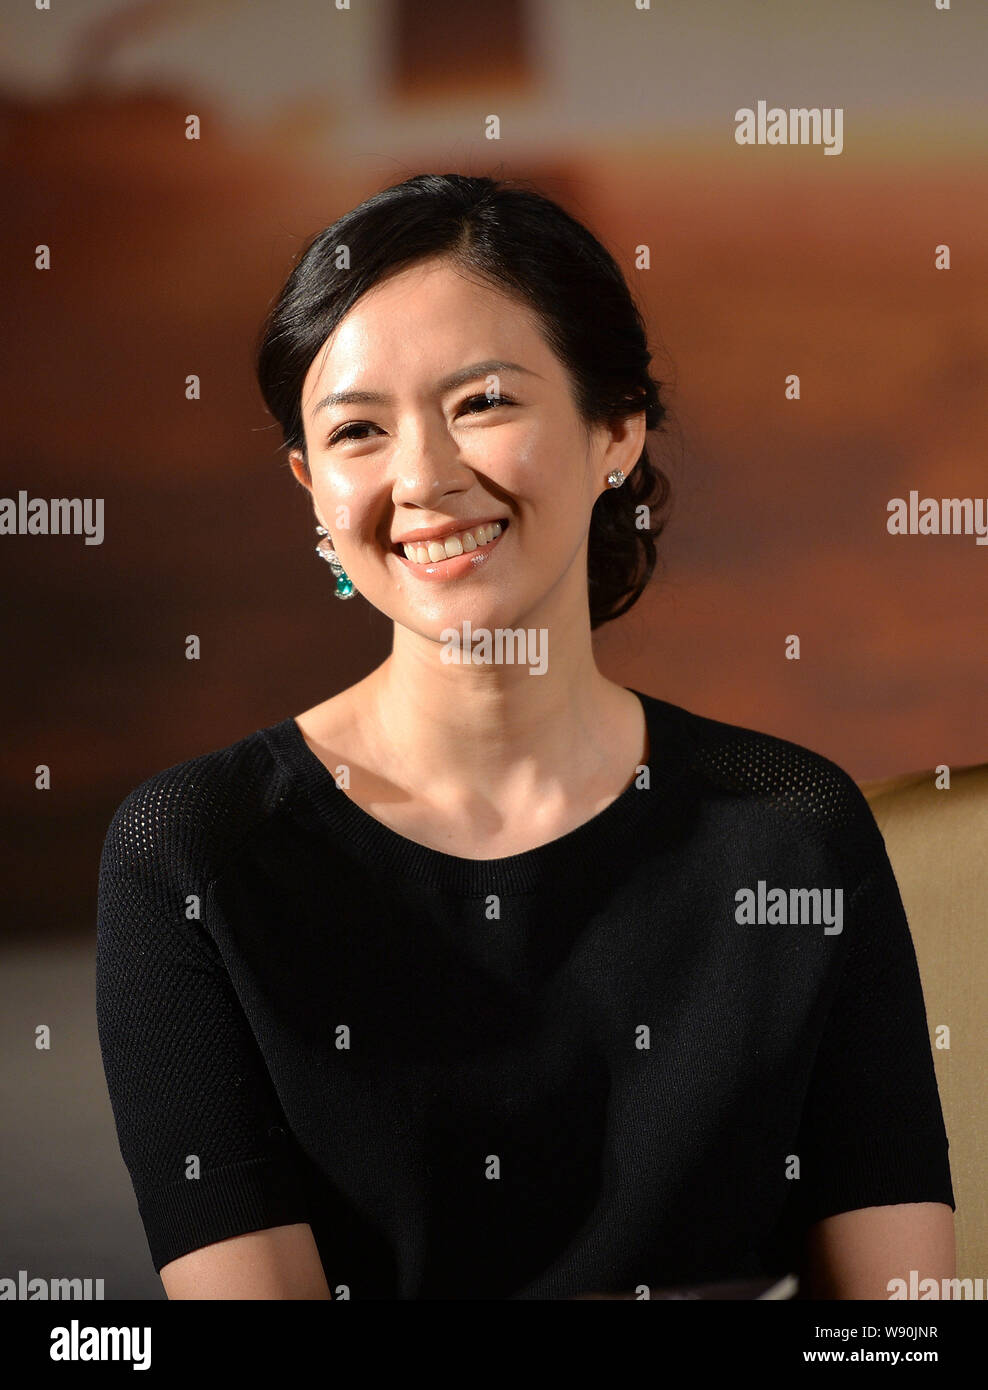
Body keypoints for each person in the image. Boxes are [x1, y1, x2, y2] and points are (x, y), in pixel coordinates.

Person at [95, 173, 954, 1300]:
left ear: (615, 428)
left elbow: (903, 1327)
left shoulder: (791, 829)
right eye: (357, 430)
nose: (424, 478)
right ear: (310, 488)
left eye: (483, 402)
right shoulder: (193, 853)